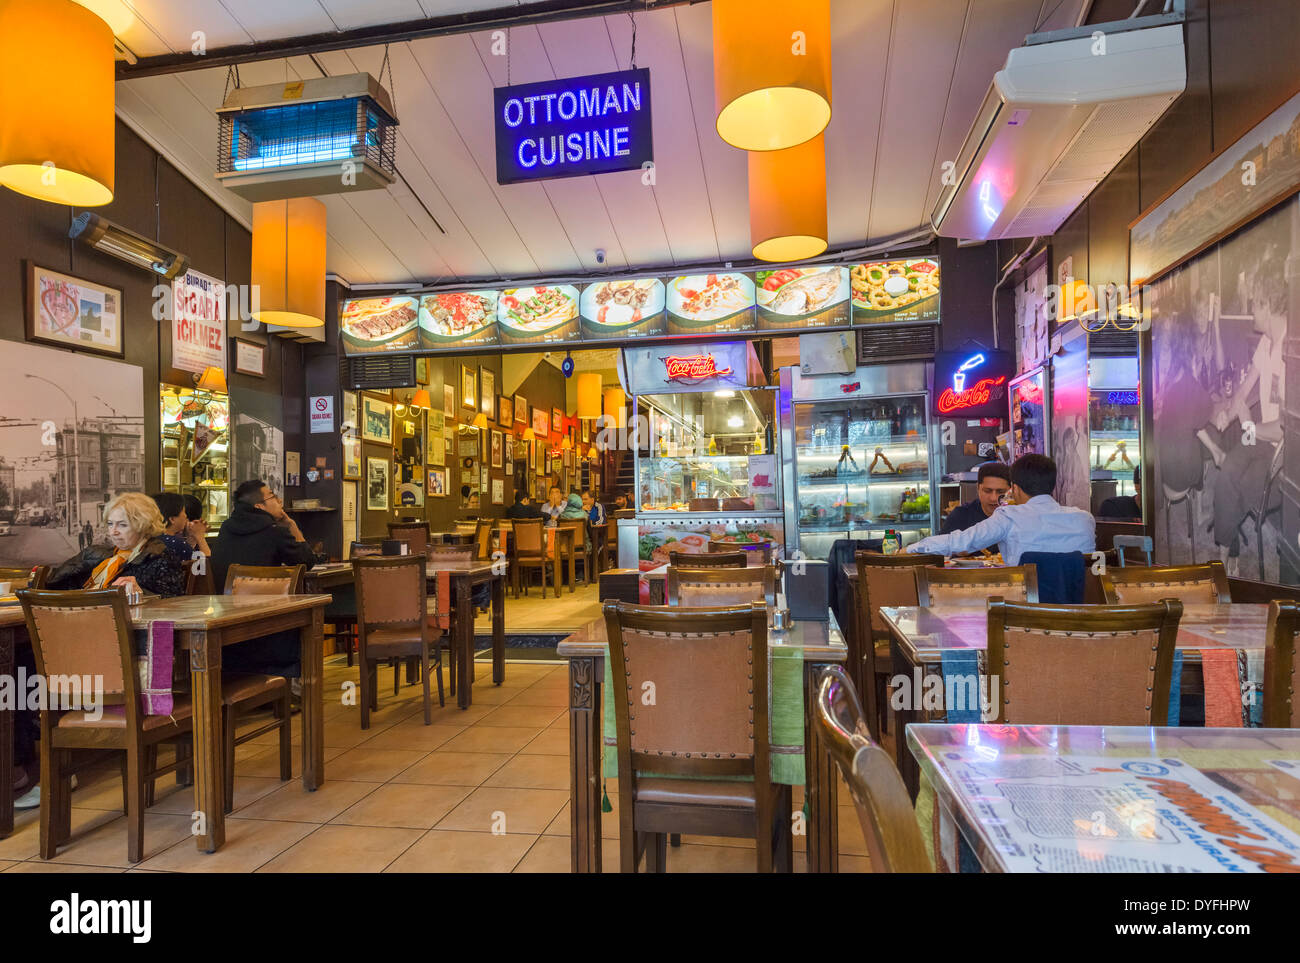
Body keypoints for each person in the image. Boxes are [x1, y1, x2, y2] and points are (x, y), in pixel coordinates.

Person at [907, 454, 1095, 565]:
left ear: (1015, 488)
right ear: (1052, 485)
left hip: (1024, 611)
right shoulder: (1085, 519)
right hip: (1080, 614)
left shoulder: (1009, 516)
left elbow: (961, 541)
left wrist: (911, 549)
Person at [211, 480, 315, 681]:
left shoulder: (225, 529)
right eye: (273, 497)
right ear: (259, 506)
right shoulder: (274, 531)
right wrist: (292, 525)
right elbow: (306, 562)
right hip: (269, 625)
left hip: (227, 623)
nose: (279, 501)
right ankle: (295, 686)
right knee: (308, 615)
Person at [45, 491, 186, 597]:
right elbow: (55, 585)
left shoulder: (161, 558)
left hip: (129, 632)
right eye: (110, 524)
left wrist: (142, 594)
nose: (113, 532)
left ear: (143, 527)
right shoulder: (97, 553)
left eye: (122, 525)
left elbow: (173, 604)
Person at [940, 462, 1011, 534]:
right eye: (987, 491)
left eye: (1001, 492)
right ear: (978, 488)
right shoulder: (960, 516)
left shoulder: (1017, 517)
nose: (993, 498)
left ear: (1011, 491)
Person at [152, 491, 193, 562]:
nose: (186, 516)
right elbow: (203, 568)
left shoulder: (149, 539)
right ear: (172, 519)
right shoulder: (177, 544)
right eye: (183, 511)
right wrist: (200, 537)